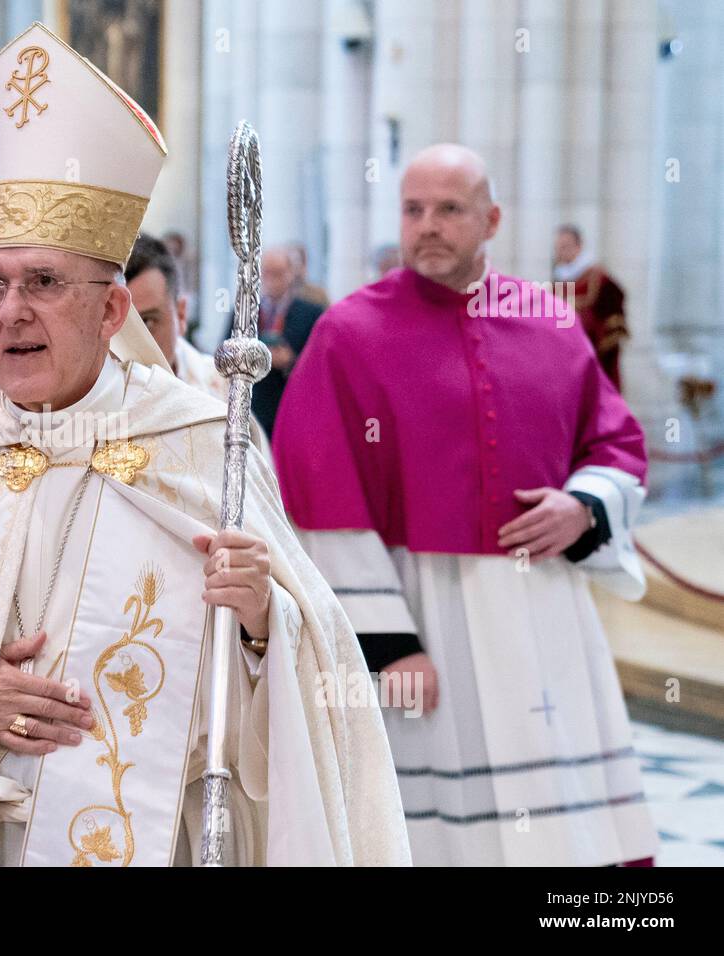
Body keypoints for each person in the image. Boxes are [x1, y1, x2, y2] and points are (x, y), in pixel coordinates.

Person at [0, 22, 409, 868]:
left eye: (44, 283)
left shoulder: (201, 442)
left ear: (110, 311)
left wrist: (258, 623)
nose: (12, 310)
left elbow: (309, 671)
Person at [272, 143, 658, 867]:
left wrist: (583, 508)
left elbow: (615, 445)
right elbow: (319, 495)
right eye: (413, 210)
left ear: (491, 220)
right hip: (420, 615)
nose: (427, 226)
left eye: (449, 210)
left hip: (545, 612)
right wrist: (389, 645)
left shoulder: (550, 321)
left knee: (564, 838)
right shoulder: (348, 334)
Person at [125, 233, 270, 454]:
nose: (135, 343)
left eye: (147, 322)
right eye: (121, 329)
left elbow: (259, 481)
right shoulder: (85, 399)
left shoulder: (226, 387)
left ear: (181, 316)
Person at [246, 245, 325, 435]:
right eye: (267, 273)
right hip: (254, 406)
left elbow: (320, 364)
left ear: (291, 274)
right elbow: (225, 349)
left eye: (278, 274)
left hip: (292, 407)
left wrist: (291, 361)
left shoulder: (310, 312)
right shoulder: (246, 311)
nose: (271, 280)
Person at [553, 224, 628, 392]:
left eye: (565, 246)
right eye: (558, 248)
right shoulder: (559, 279)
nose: (560, 252)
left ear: (579, 246)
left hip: (592, 351)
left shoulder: (599, 278)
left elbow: (614, 312)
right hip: (564, 351)